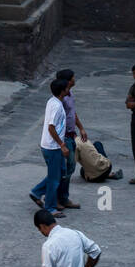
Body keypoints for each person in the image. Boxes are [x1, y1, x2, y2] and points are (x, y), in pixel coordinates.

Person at [30, 78, 71, 216]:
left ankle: (36, 192)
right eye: (67, 87)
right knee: (54, 178)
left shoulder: (52, 101)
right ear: (62, 91)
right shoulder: (57, 106)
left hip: (50, 145)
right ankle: (50, 207)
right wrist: (62, 145)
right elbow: (51, 127)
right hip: (53, 147)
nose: (68, 89)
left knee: (58, 174)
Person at [56, 68, 87, 210]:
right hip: (63, 137)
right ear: (68, 81)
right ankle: (56, 198)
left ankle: (64, 197)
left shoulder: (70, 94)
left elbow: (72, 114)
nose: (75, 80)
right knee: (63, 169)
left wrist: (80, 128)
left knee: (70, 167)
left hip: (71, 134)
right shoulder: (60, 99)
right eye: (73, 78)